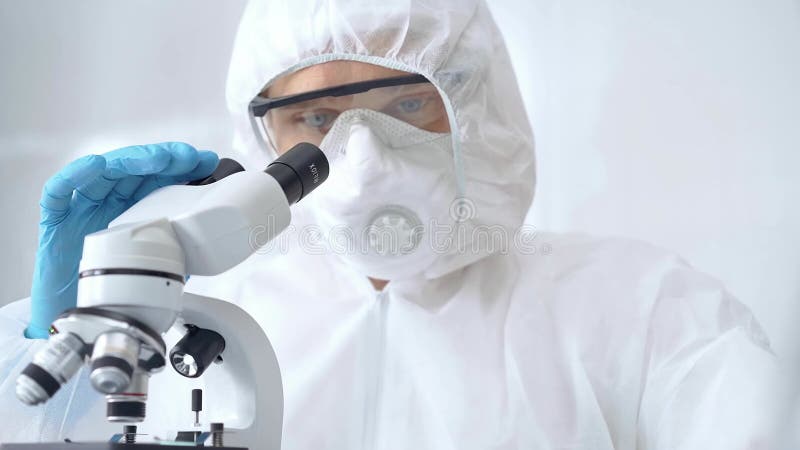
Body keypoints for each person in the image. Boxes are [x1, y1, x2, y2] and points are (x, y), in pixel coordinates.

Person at [0, 0, 781, 448]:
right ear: (265, 137)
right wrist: (52, 346)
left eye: (407, 104)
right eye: (317, 117)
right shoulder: (197, 321)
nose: (365, 160)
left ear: (477, 107)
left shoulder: (638, 309)